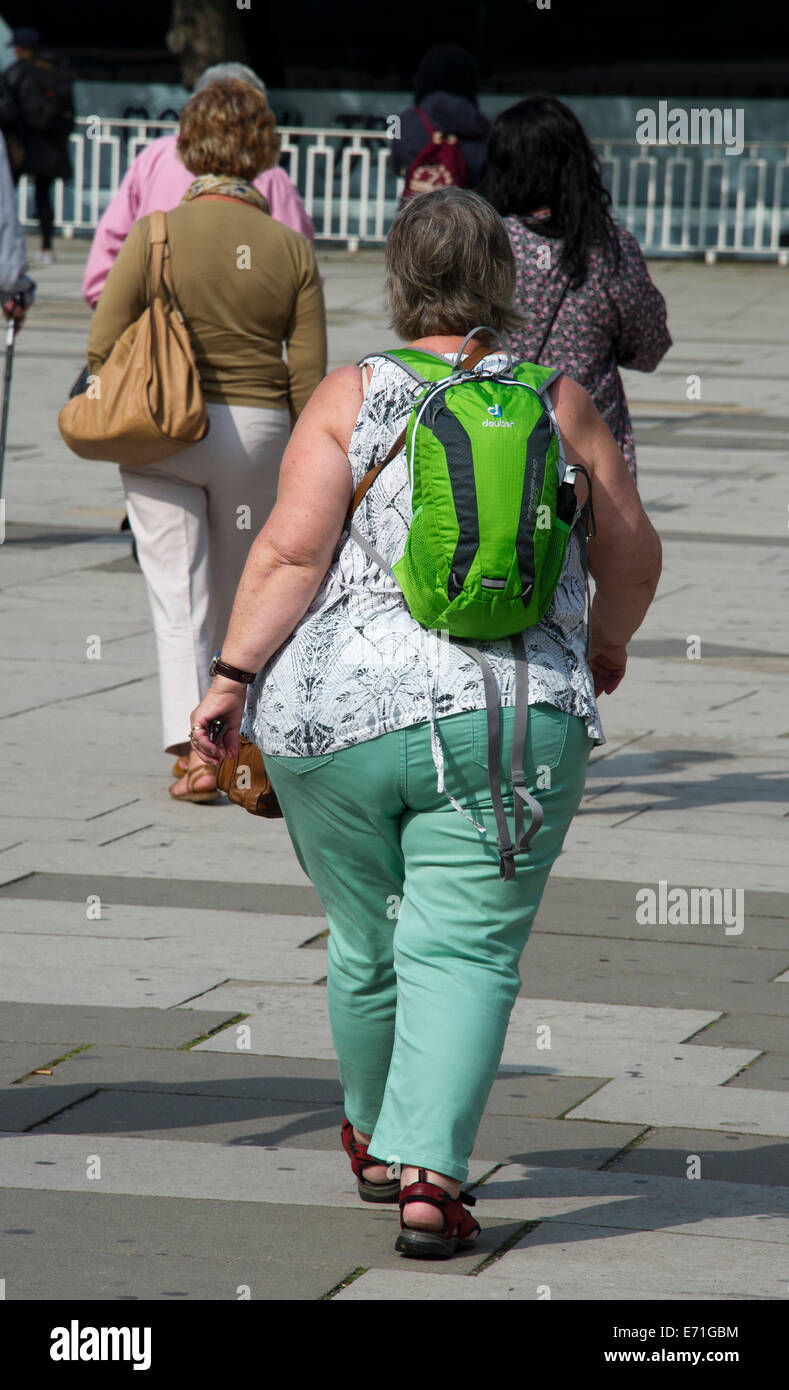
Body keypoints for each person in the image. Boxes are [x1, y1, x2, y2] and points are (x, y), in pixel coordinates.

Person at [188, 188, 662, 1258]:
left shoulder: (350, 392)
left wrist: (228, 676)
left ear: (401, 282)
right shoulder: (558, 400)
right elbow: (632, 553)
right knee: (465, 947)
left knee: (365, 936)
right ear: (502, 281)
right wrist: (608, 642)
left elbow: (291, 553)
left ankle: (368, 1132)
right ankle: (429, 1179)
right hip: (504, 722)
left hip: (334, 723)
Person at [87, 77, 327, 802]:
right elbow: (309, 378)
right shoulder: (288, 248)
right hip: (256, 436)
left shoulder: (155, 231)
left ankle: (193, 759)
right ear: (264, 152)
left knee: (176, 597)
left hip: (163, 433)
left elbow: (102, 342)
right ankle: (232, 743)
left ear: (188, 145)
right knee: (237, 598)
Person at [480, 94, 672, 482]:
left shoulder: (484, 244)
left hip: (491, 450)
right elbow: (650, 347)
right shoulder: (606, 248)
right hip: (587, 462)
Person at [82, 63, 314, 309]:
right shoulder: (267, 171)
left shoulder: (156, 155)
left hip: (155, 311)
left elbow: (114, 232)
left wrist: (106, 299)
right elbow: (297, 258)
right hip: (235, 318)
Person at [1, 27, 74, 265]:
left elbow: (8, 111)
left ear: (22, 49)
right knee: (44, 195)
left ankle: (6, 245)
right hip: (49, 146)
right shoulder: (58, 73)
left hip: (20, 145)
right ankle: (46, 246)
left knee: (5, 195)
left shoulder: (15, 73)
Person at [389, 44, 489, 202]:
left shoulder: (404, 121)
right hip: (465, 218)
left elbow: (396, 167)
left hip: (417, 216)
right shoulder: (481, 125)